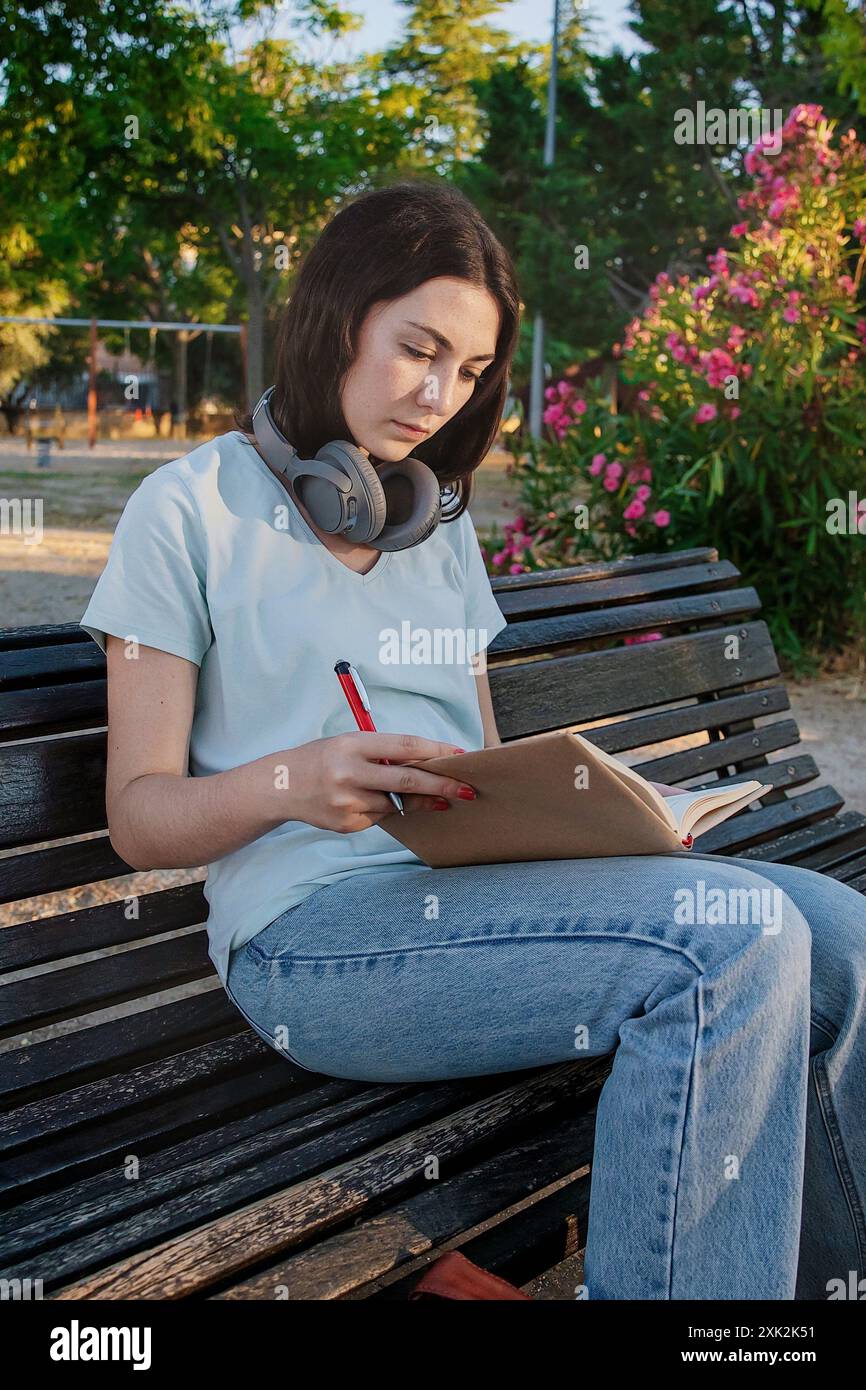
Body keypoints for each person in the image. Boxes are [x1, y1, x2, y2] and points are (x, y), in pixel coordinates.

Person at [79, 180, 866, 1302]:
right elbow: (137, 813)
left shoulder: (429, 525)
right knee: (730, 940)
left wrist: (601, 826)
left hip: (463, 903)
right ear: (338, 313)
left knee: (842, 934)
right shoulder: (186, 510)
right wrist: (295, 780)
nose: (438, 397)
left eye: (468, 371)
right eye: (419, 349)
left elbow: (487, 763)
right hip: (311, 943)